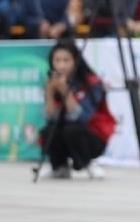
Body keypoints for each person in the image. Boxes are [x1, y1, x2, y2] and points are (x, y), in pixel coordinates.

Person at [40, 40, 115, 180]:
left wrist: (65, 92)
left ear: (76, 61)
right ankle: (59, 166)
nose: (61, 66)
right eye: (57, 60)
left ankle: (88, 163)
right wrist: (50, 93)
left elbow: (82, 118)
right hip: (66, 131)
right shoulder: (51, 81)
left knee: (72, 129)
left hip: (93, 135)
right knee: (49, 130)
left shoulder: (91, 82)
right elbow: (50, 117)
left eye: (66, 60)